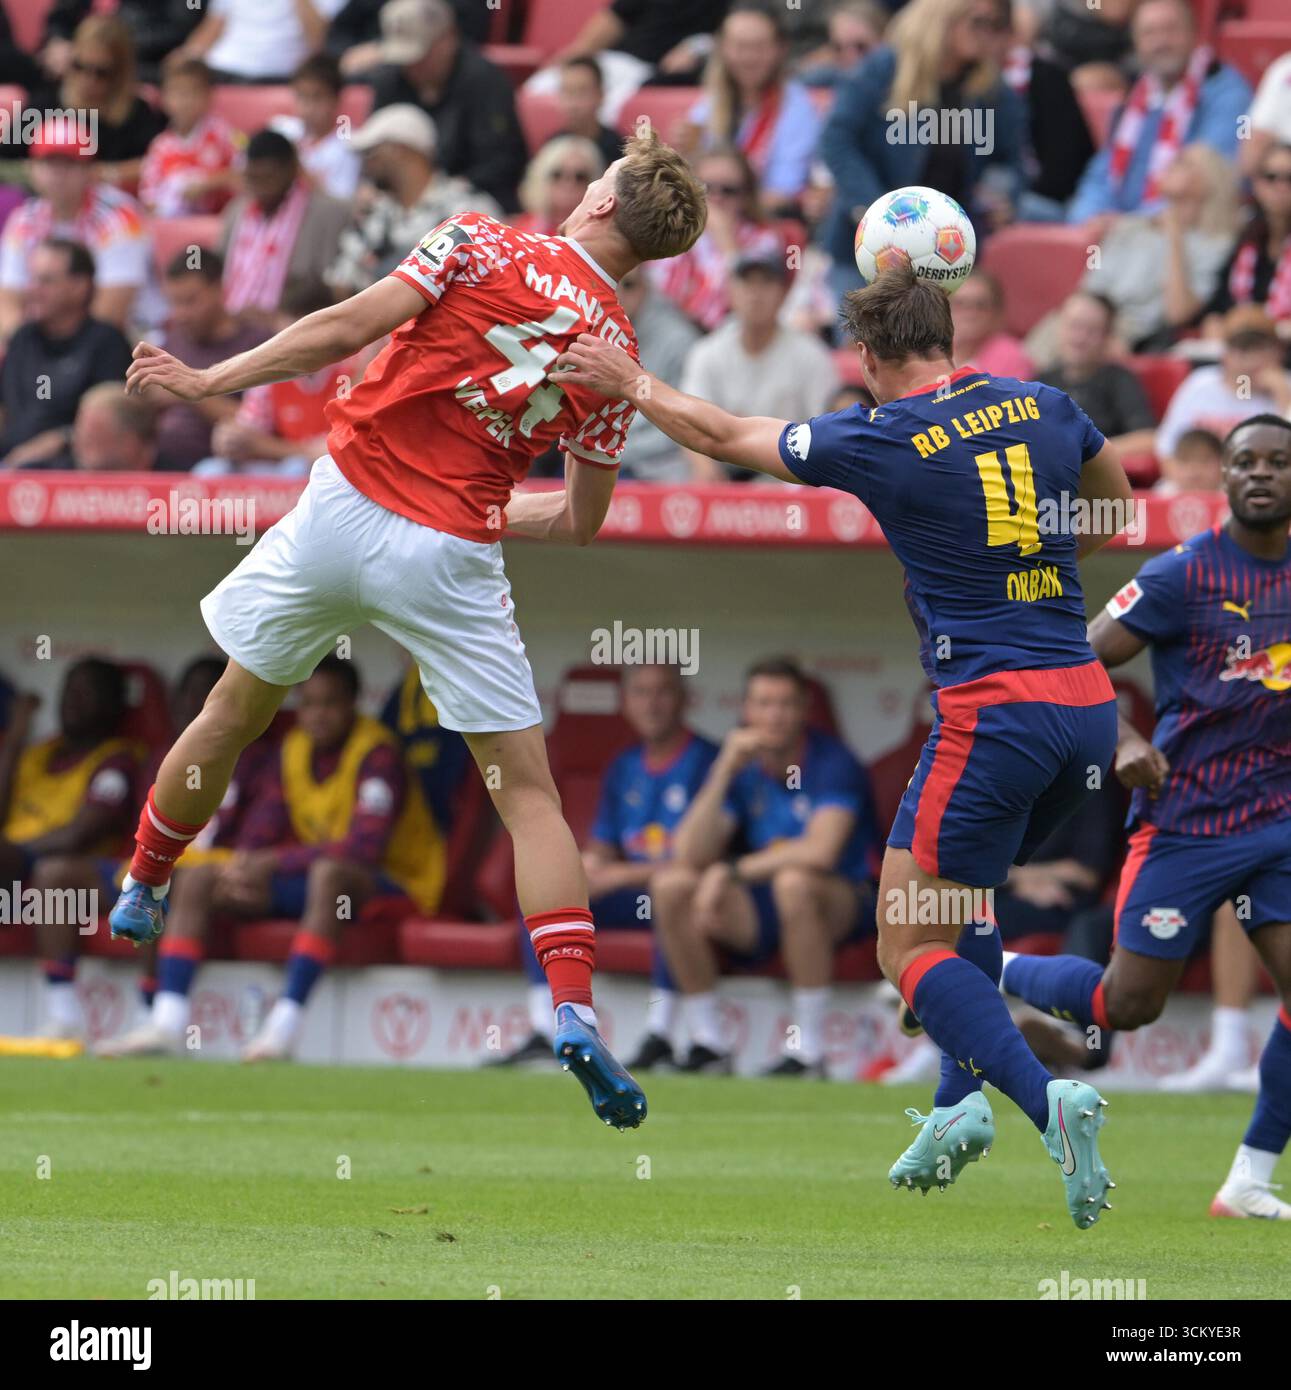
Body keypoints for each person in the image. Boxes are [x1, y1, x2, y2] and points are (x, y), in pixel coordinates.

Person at [109, 133, 708, 1133]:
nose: (576, 189)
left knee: (230, 712)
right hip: (450, 555)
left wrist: (217, 380)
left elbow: (346, 324)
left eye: (589, 179)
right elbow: (579, 520)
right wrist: (472, 511)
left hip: (341, 508)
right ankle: (570, 1007)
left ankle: (144, 878)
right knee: (529, 798)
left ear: (604, 206)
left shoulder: (476, 243)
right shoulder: (616, 356)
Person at [554, 265, 1135, 1224]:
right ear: (949, 333)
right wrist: (1028, 571)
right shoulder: (1042, 400)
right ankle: (955, 1109)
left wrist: (630, 380)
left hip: (990, 714)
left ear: (866, 359)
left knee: (902, 940)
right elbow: (1113, 510)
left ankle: (1047, 1101)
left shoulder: (882, 435)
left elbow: (722, 435)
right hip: (1083, 705)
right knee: (960, 902)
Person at [1000, 415, 1291, 1220]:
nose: (1260, 474)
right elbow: (1076, 657)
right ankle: (973, 966)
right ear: (1222, 479)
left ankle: (1247, 1180)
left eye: (1277, 462)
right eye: (1244, 462)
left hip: (1277, 825)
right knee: (1130, 1004)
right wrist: (1123, 734)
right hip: (1185, 821)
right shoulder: (1182, 574)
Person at [101, 656, 442, 1061]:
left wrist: (272, 863)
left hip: (395, 882)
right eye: (310, 704)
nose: (318, 715)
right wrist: (241, 869)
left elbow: (363, 849)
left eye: (330, 704)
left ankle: (282, 1029)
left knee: (330, 874)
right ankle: (166, 1023)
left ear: (353, 704)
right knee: (199, 879)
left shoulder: (378, 754)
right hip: (316, 881)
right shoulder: (294, 748)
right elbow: (264, 825)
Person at [651, 658, 880, 1078]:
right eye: (764, 703)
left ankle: (808, 1052)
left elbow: (821, 852)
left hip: (845, 900)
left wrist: (730, 870)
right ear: (746, 710)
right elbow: (688, 852)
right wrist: (722, 771)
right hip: (768, 904)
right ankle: (710, 1042)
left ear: (805, 709)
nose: (774, 715)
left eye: (786, 704)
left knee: (794, 883)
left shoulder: (833, 761)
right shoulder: (743, 767)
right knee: (671, 886)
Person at [494, 664, 719, 1070]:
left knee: (671, 892)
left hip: (687, 897)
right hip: (632, 896)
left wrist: (619, 874)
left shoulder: (707, 760)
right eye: (641, 693)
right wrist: (591, 864)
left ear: (685, 699)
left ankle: (661, 1033)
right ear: (626, 703)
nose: (652, 704)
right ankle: (546, 1028)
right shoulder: (624, 765)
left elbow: (705, 860)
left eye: (663, 692)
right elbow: (606, 842)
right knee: (542, 885)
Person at [818, 0, 1026, 295]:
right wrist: (874, 211)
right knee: (865, 338)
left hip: (945, 252)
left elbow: (1011, 159)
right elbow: (837, 139)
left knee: (927, 340)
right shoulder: (884, 67)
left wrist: (1002, 194)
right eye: (978, 22)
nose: (988, 33)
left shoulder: (990, 88)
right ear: (942, 18)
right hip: (870, 248)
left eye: (995, 25)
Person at [0, 659, 139, 1042]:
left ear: (112, 704)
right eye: (68, 690)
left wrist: (15, 854)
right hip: (10, 885)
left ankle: (64, 1016)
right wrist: (13, 742)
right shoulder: (38, 754)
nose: (72, 701)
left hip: (67, 882)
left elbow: (81, 834)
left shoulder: (118, 759)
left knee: (52, 873)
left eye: (86, 692)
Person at [1066, 0, 1251, 228]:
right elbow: (1099, 178)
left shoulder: (1227, 93)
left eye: (1170, 30)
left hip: (1186, 236)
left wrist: (1126, 226)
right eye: (1149, 33)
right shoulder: (1136, 98)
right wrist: (1087, 218)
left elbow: (1209, 183)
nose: (1160, 42)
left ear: (1195, 34)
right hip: (1122, 232)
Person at [677, 247, 838, 480]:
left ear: (783, 293)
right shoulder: (707, 352)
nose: (756, 293)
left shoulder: (812, 356)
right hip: (722, 480)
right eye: (747, 282)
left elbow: (826, 438)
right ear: (731, 291)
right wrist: (710, 481)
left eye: (766, 283)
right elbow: (689, 426)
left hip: (788, 481)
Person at [365, 0, 527, 211]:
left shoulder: (484, 81)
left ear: (448, 40)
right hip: (403, 203)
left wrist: (448, 189)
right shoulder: (390, 80)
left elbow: (504, 159)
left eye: (420, 55)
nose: (411, 65)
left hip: (476, 204)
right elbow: (375, 145)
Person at [326, 104, 500, 298]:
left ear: (399, 151)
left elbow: (492, 286)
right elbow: (340, 282)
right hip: (378, 323)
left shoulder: (468, 209)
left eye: (372, 153)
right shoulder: (374, 214)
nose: (366, 165)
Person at [0, 119, 149, 343]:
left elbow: (110, 314)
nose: (58, 175)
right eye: (49, 163)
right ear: (31, 169)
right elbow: (8, 304)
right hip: (46, 342)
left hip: (130, 340)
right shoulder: (23, 219)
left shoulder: (120, 218)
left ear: (90, 170)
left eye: (69, 164)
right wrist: (31, 353)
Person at [200, 282, 361, 475]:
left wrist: (266, 447)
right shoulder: (272, 371)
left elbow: (333, 450)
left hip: (334, 474)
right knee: (211, 470)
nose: (288, 346)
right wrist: (230, 439)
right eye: (283, 335)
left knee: (299, 468)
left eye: (295, 337)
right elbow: (249, 429)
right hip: (279, 467)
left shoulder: (353, 369)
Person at [0, 239, 133, 468]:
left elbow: (115, 422)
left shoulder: (107, 343)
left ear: (79, 286)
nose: (33, 290)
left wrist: (63, 438)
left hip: (72, 467)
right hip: (10, 460)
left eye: (46, 281)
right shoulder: (23, 338)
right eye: (32, 279)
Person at [681, 3, 823, 213]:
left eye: (759, 47)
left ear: (780, 48)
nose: (748, 57)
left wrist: (717, 209)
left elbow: (783, 193)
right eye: (739, 46)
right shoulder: (712, 101)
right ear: (723, 47)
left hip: (761, 224)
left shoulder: (797, 108)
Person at [147, 249, 268, 472]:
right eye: (174, 303)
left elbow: (264, 424)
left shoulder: (258, 344)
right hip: (157, 461)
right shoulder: (171, 340)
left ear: (218, 290)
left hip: (227, 465)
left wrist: (189, 392)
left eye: (190, 301)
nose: (181, 314)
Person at [218, 130, 350, 324]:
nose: (259, 188)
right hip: (234, 326)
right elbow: (218, 273)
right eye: (252, 178)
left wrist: (275, 318)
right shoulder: (236, 211)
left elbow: (331, 288)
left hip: (296, 326)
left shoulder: (329, 213)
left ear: (291, 170)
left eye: (267, 178)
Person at [648, 147, 783, 332]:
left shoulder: (763, 240)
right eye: (706, 188)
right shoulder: (671, 231)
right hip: (669, 333)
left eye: (729, 191)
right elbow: (655, 291)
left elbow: (749, 306)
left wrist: (726, 242)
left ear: (746, 196)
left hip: (727, 338)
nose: (717, 198)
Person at [29, 15, 165, 189]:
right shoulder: (46, 104)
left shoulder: (136, 112)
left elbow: (156, 163)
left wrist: (106, 174)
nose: (87, 79)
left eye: (100, 72)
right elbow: (7, 160)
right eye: (80, 66)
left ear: (119, 74)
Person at [1174, 142, 1291, 338]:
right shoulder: (1247, 240)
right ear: (1256, 184)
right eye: (1271, 177)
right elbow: (1218, 306)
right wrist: (1214, 321)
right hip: (1240, 350)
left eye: (1289, 178)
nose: (1281, 186)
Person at [1155, 308, 1291, 463]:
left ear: (1278, 352)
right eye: (1242, 349)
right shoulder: (1200, 383)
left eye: (1259, 348)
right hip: (1198, 483)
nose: (1250, 359)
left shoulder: (1286, 386)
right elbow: (1166, 450)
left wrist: (1283, 395)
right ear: (1224, 353)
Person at [1036, 292, 1156, 462]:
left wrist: (1086, 452)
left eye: (1092, 330)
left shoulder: (1120, 381)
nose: (1079, 338)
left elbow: (1148, 439)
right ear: (1059, 327)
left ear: (1108, 337)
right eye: (1074, 326)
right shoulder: (1041, 381)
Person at [614, 267, 700, 482]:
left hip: (657, 467)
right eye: (612, 283)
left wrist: (615, 450)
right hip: (607, 456)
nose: (618, 294)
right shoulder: (596, 328)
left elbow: (682, 424)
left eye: (629, 285)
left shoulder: (677, 340)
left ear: (646, 287)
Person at [138, 57, 244, 218]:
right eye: (178, 93)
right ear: (164, 99)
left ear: (209, 96)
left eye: (194, 92)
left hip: (217, 222)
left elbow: (244, 173)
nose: (186, 101)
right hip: (175, 227)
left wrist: (208, 184)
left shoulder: (223, 134)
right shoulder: (160, 146)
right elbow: (149, 196)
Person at [175, 0, 347, 84]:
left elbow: (318, 40)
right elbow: (212, 28)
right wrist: (183, 59)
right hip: (222, 71)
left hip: (279, 75)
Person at [272, 54, 363, 201]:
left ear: (336, 98)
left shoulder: (350, 144)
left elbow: (342, 204)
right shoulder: (280, 129)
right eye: (301, 96)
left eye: (317, 97)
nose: (308, 108)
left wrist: (298, 171)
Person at [511, 139, 605, 241]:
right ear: (541, 179)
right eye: (557, 175)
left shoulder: (599, 237)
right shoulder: (518, 230)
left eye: (580, 177)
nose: (568, 184)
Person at [950, 271, 1034, 380]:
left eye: (980, 305)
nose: (970, 314)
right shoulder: (929, 351)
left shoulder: (1013, 359)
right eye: (960, 303)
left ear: (996, 313)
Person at [549, 58, 625, 169]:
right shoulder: (552, 145)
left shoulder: (618, 151)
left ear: (601, 95)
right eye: (567, 92)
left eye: (582, 92)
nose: (573, 104)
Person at [65, 384, 160, 471]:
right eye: (80, 428)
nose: (79, 439)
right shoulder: (60, 472)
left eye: (95, 432)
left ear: (130, 441)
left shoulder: (171, 477)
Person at [1152, 427, 1222, 497]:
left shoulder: (1230, 496)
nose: (1195, 471)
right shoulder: (1162, 493)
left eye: (1204, 461)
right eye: (1185, 461)